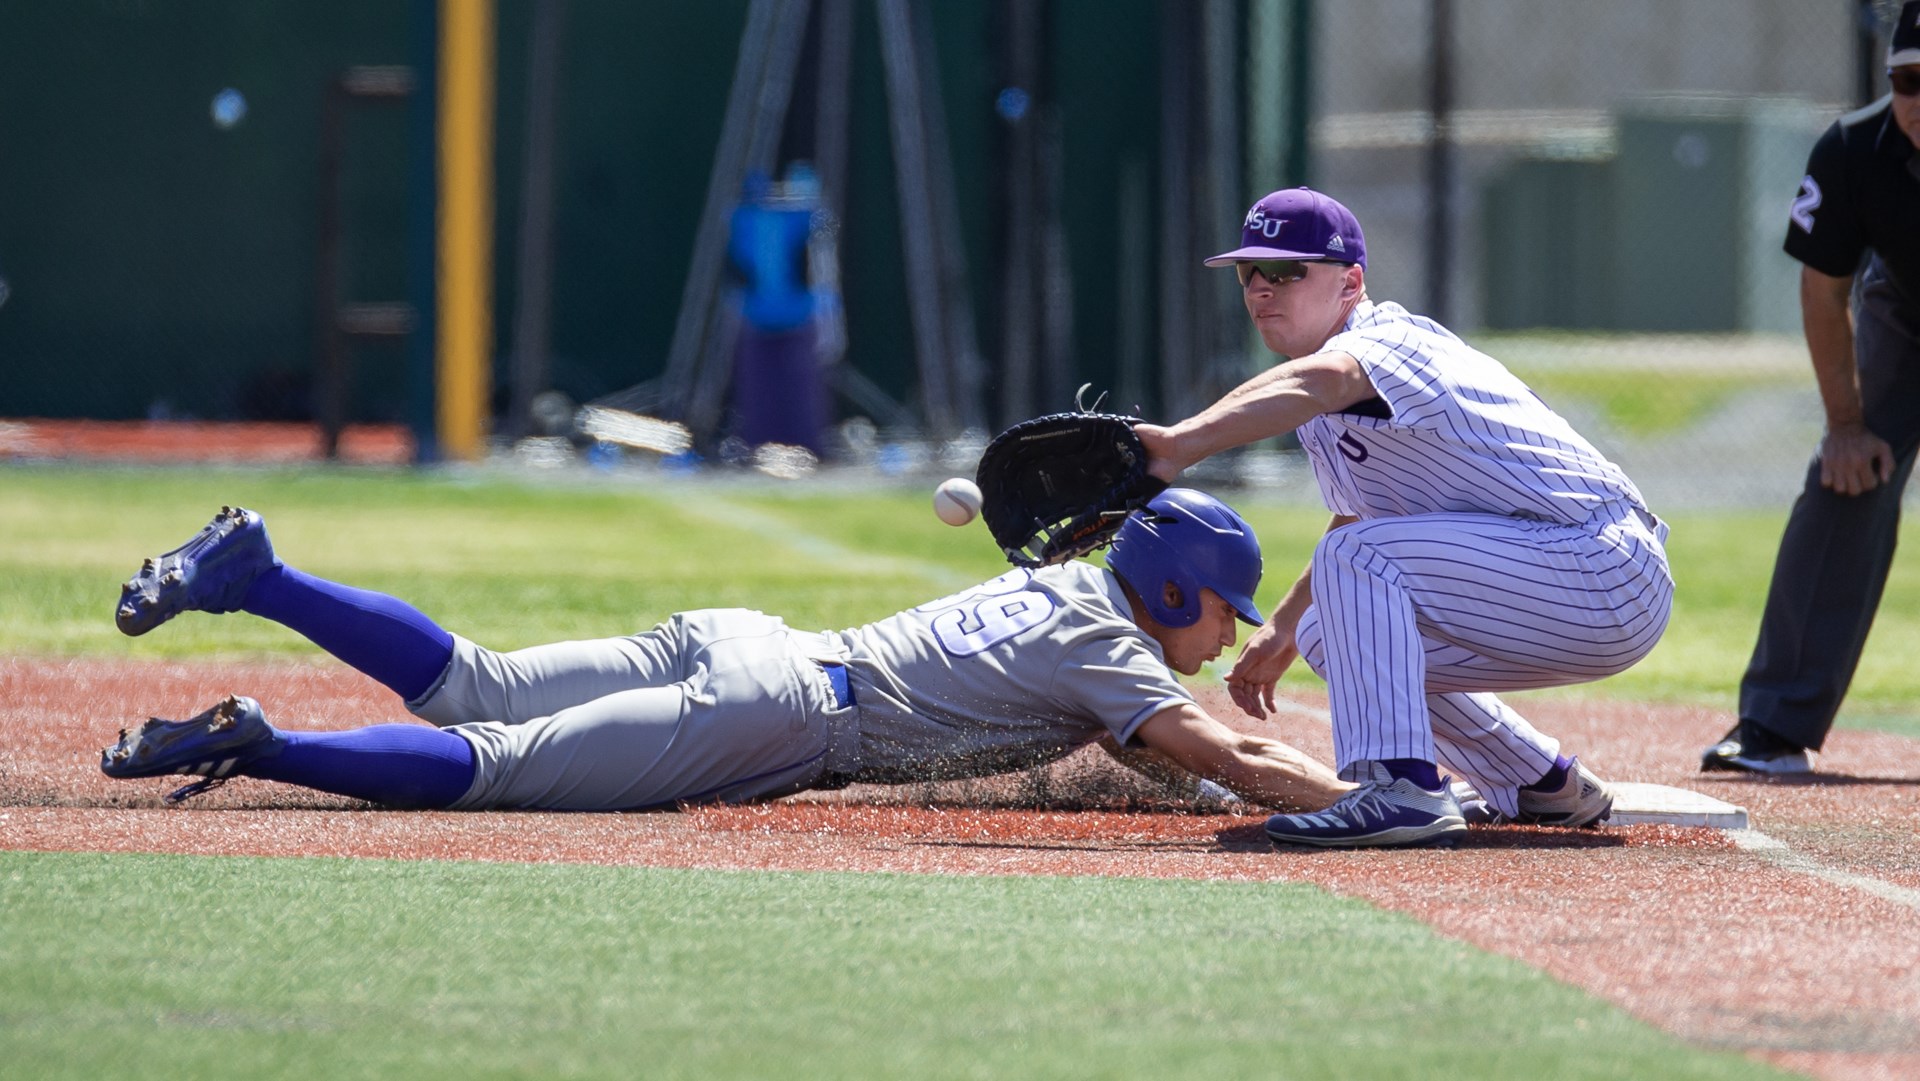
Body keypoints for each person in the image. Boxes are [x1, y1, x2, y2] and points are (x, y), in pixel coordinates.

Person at [100, 494, 1350, 815]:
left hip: (750, 639)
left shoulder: (1068, 588)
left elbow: (1161, 751)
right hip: (780, 715)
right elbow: (1222, 752)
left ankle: (257, 572)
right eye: (1224, 615)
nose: (1224, 638)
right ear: (1172, 590)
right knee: (493, 763)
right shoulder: (1111, 646)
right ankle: (266, 745)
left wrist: (1207, 778)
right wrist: (1368, 800)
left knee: (481, 680)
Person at [1135, 186, 1673, 849]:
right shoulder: (1314, 396)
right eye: (1249, 272)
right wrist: (1282, 630)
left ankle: (1398, 789)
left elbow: (1325, 387)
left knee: (1355, 561)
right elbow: (1356, 516)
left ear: (1350, 282)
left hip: (1602, 563)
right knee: (1329, 632)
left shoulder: (1389, 341)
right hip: (1554, 573)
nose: (1261, 287)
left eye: (1286, 270)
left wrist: (1177, 444)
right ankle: (1541, 781)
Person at [1703, 4, 1920, 775]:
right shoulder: (1854, 149)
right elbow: (1824, 292)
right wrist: (1846, 426)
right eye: (1908, 81)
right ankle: (1774, 721)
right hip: (1906, 305)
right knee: (1848, 476)